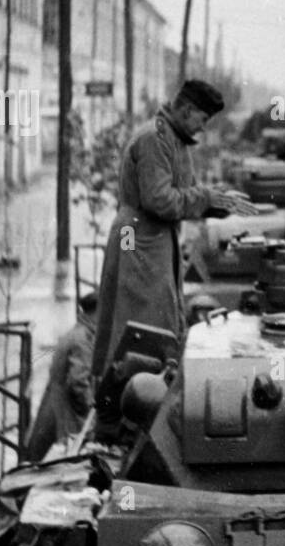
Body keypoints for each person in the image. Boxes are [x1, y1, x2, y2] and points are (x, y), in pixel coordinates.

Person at [91, 79, 259, 380]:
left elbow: (188, 193)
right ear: (187, 109)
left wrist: (220, 202)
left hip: (150, 237)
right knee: (141, 323)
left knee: (153, 319)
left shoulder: (173, 138)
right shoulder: (156, 138)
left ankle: (142, 386)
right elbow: (160, 200)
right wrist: (208, 198)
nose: (203, 127)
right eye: (203, 119)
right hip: (137, 238)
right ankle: (133, 392)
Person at [27, 292, 98, 461]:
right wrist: (92, 411)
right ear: (97, 312)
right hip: (64, 407)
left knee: (34, 455)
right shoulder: (83, 339)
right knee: (69, 454)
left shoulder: (75, 332)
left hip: (53, 400)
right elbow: (78, 382)